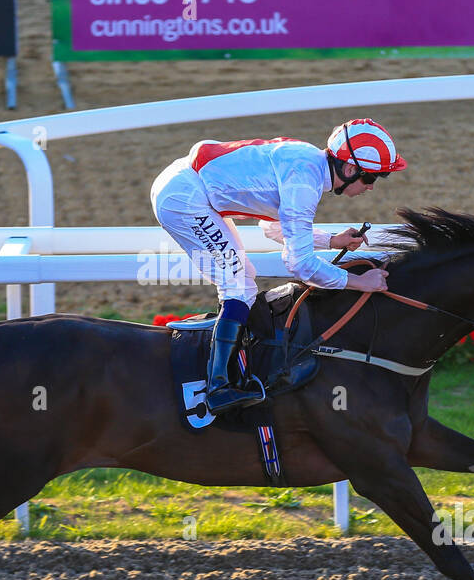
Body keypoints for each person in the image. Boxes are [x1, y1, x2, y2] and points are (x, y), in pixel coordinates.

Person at [150, 119, 405, 413]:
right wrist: (360, 282)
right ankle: (219, 388)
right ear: (350, 169)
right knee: (238, 285)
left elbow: (272, 228)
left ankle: (229, 375)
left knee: (242, 279)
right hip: (185, 198)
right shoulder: (304, 182)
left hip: (184, 187)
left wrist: (332, 240)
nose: (371, 188)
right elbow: (300, 265)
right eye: (372, 178)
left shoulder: (307, 164)